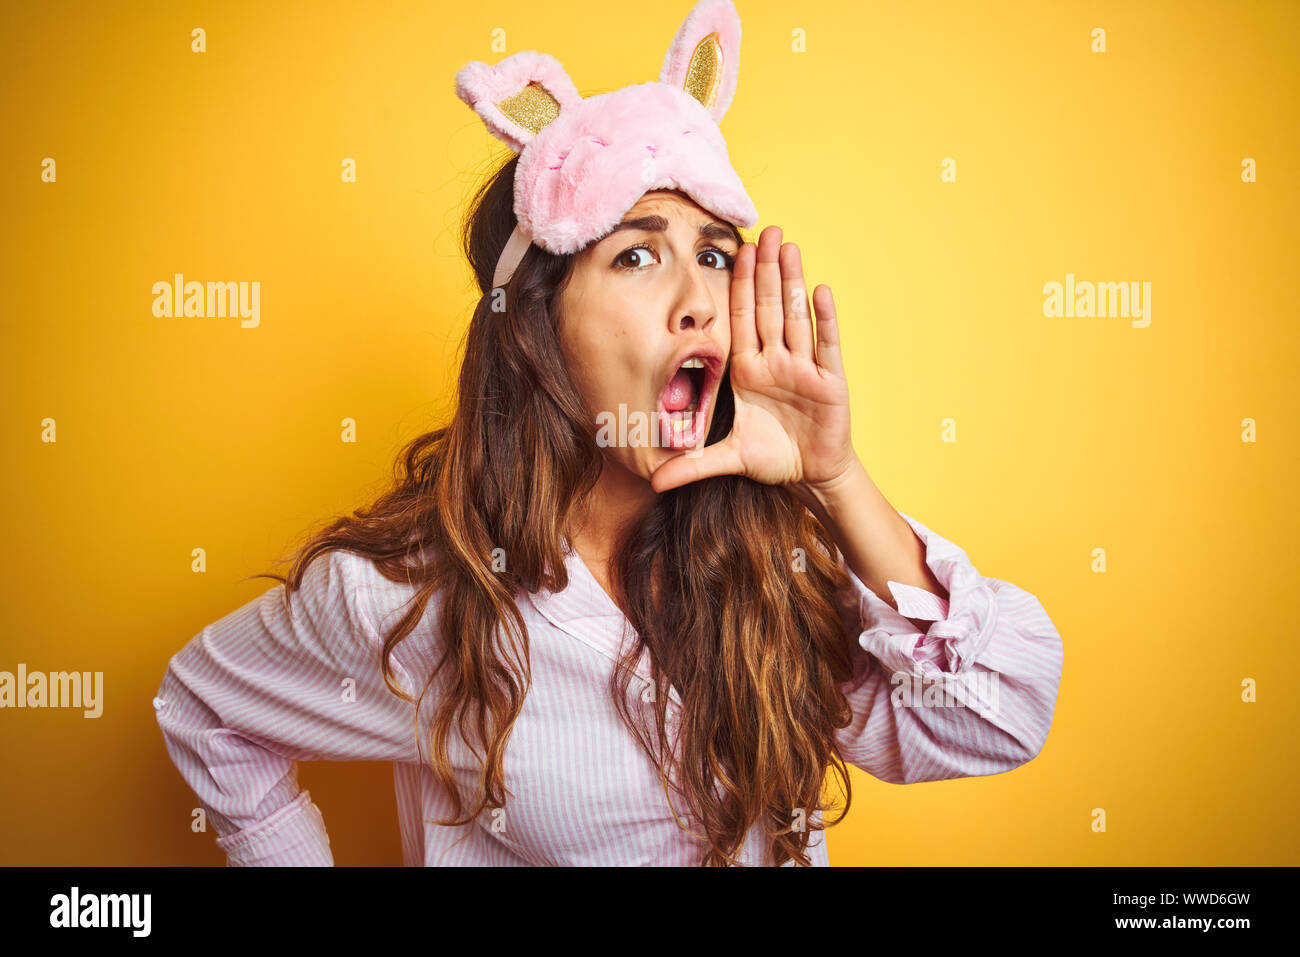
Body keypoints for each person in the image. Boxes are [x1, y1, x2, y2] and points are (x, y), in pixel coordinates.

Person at [154, 0, 1063, 867]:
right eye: (635, 254)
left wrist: (838, 477)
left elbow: (1001, 715)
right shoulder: (416, 599)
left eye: (714, 254)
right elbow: (204, 706)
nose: (697, 300)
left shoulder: (773, 566)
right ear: (538, 326)